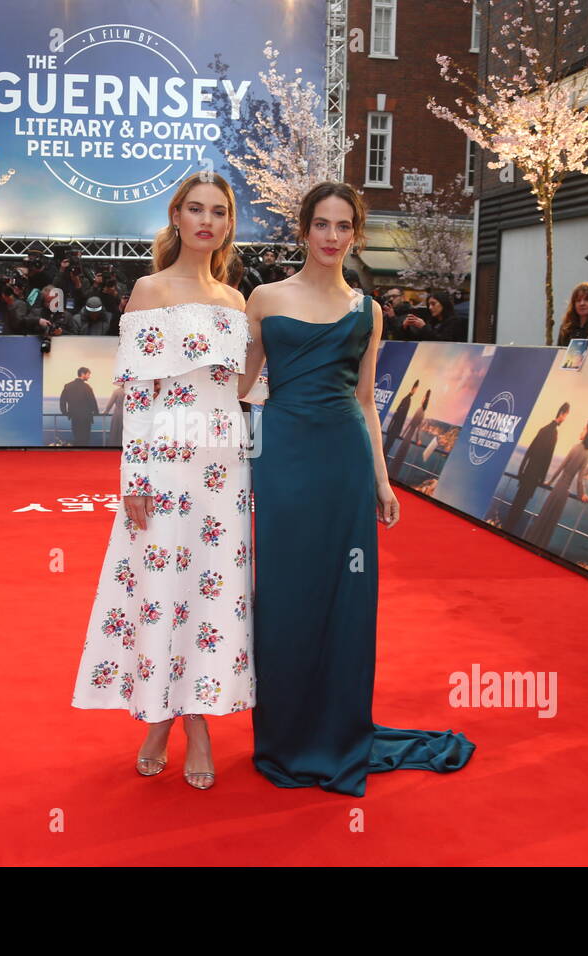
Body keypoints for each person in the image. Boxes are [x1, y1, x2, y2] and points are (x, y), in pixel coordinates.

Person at [237, 181, 474, 796]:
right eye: (322, 224)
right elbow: (240, 385)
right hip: (284, 456)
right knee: (285, 594)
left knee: (345, 599)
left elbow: (366, 401)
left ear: (356, 233)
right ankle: (286, 735)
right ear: (303, 229)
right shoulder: (263, 298)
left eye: (344, 226)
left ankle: (339, 729)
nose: (332, 237)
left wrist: (383, 480)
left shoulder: (367, 309)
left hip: (343, 459)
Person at [71, 173, 254, 790]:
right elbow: (140, 398)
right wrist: (135, 479)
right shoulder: (149, 291)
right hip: (168, 464)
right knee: (160, 584)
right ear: (176, 215)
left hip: (224, 466)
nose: (207, 220)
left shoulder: (236, 302)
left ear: (229, 223)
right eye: (196, 209)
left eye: (219, 211)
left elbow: (244, 391)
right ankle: (157, 716)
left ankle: (199, 720)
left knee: (211, 592)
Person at [525, 418, 588, 550]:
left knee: (543, 518)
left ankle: (531, 544)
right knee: (550, 524)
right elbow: (580, 479)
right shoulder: (586, 455)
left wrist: (549, 481)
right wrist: (582, 494)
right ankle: (540, 548)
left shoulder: (575, 447)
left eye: (584, 429)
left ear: (587, 433)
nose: (582, 431)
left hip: (557, 489)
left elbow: (561, 467)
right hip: (564, 493)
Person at [503, 402, 570, 535]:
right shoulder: (554, 433)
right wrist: (542, 479)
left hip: (526, 474)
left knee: (516, 503)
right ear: (562, 414)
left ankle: (505, 529)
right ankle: (508, 533)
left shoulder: (543, 429)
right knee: (520, 507)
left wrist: (521, 470)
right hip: (533, 478)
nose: (565, 419)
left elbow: (529, 452)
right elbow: (547, 459)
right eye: (566, 415)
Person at [58, 367, 99, 446]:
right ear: (82, 374)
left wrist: (65, 412)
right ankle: (84, 455)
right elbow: (92, 401)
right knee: (85, 438)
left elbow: (62, 400)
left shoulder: (68, 386)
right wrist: (96, 412)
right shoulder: (87, 387)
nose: (89, 376)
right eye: (88, 374)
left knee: (77, 437)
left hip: (74, 417)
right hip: (86, 417)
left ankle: (77, 455)